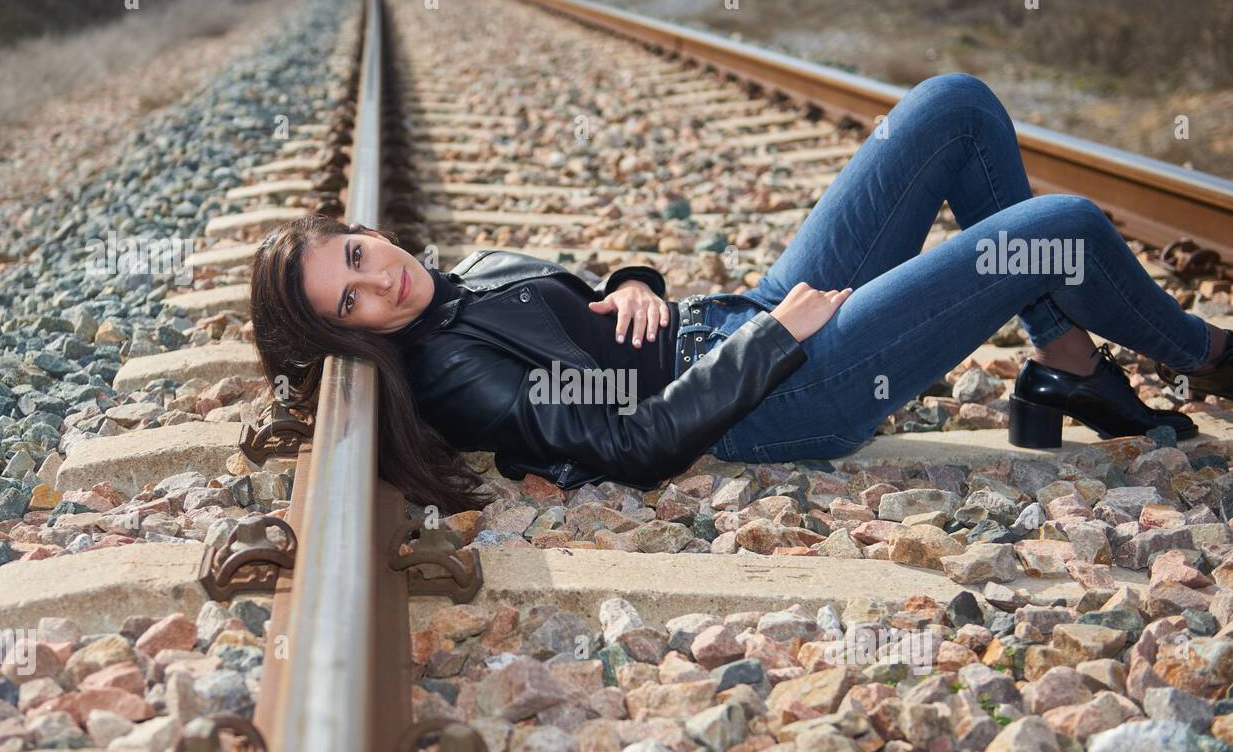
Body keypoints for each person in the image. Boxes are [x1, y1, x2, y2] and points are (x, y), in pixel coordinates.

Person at [250, 73, 1230, 513]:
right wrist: (778, 343)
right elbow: (631, 443)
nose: (378, 278)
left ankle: (1068, 373)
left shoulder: (457, 282)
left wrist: (634, 280)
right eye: (351, 302)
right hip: (778, 397)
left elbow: (582, 309)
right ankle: (1208, 356)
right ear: (354, 336)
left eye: (356, 253)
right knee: (1057, 228)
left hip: (745, 314)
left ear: (362, 231)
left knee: (955, 106)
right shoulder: (452, 373)